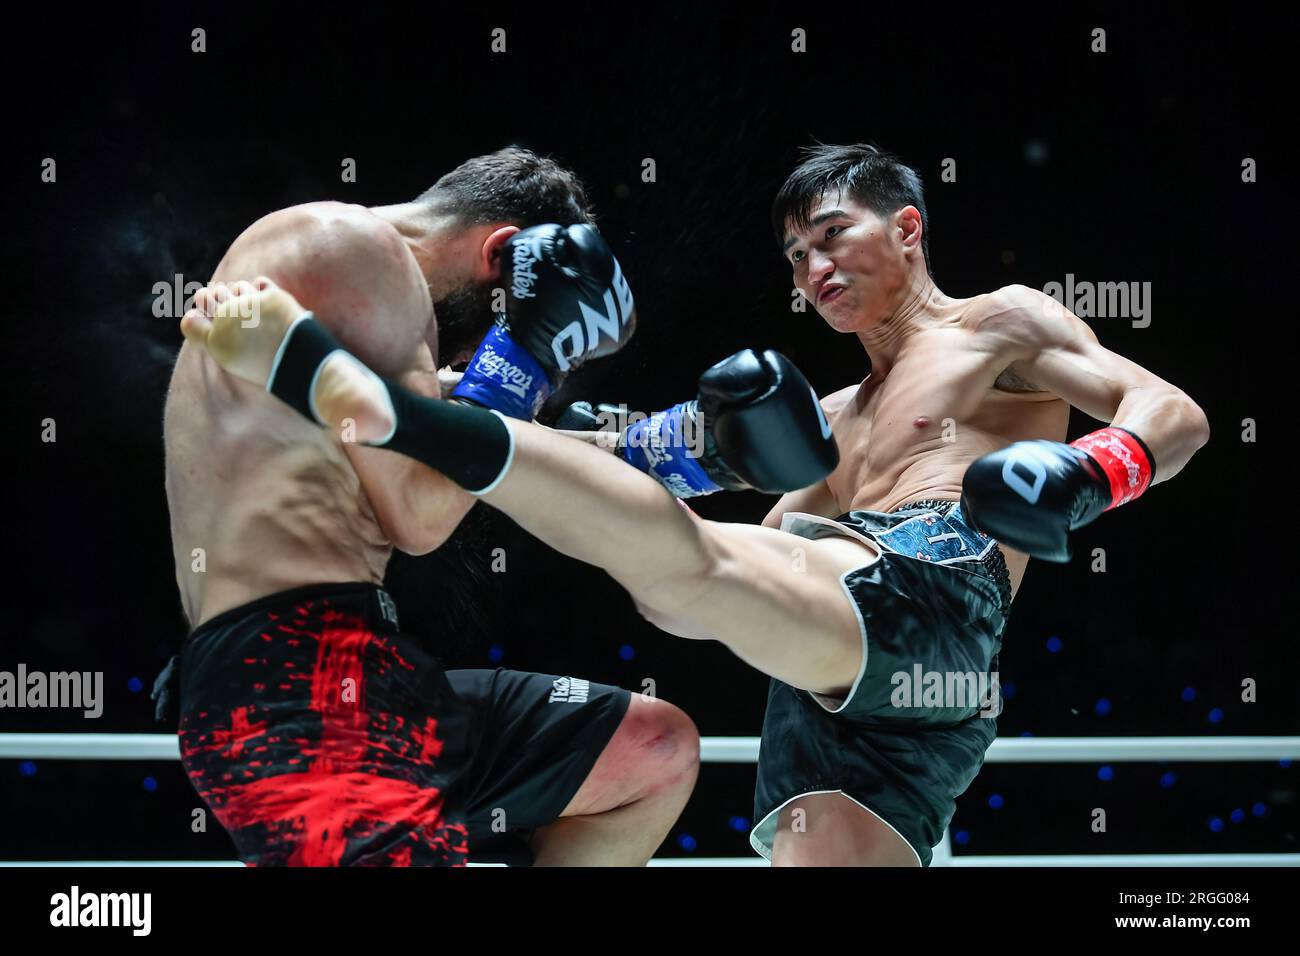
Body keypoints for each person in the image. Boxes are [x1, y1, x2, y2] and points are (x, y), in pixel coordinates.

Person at [180, 143, 1209, 867]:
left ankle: (377, 410)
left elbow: (1171, 409)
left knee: (686, 571)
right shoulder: (832, 413)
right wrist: (683, 446)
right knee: (682, 603)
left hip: (921, 613)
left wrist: (1092, 473)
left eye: (831, 235)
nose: (812, 269)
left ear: (907, 226)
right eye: (796, 256)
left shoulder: (998, 325)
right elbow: (726, 521)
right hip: (847, 691)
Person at [159, 147, 699, 866]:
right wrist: (523, 356)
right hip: (294, 685)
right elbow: (422, 516)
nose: (474, 346)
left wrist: (649, 448)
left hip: (365, 668)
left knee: (652, 748)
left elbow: (446, 428)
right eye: (497, 322)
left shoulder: (341, 278)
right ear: (504, 254)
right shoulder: (355, 248)